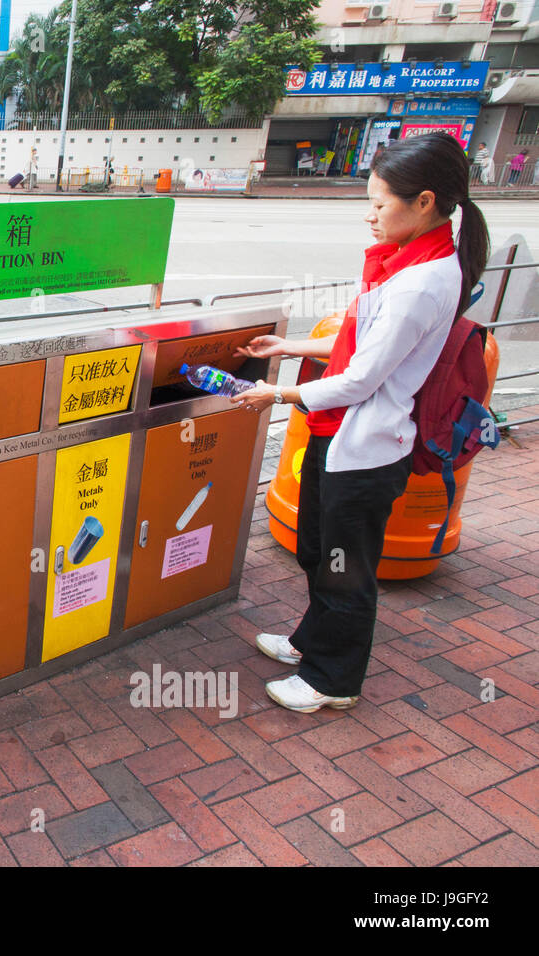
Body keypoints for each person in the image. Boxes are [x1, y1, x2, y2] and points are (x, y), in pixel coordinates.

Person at [231, 131, 489, 714]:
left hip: (366, 448)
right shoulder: (404, 262)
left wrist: (278, 392)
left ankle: (334, 680)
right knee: (321, 553)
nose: (369, 217)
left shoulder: (422, 281)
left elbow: (360, 380)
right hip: (337, 435)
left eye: (379, 204)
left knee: (346, 568)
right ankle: (309, 643)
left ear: (424, 202)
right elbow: (357, 348)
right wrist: (287, 345)